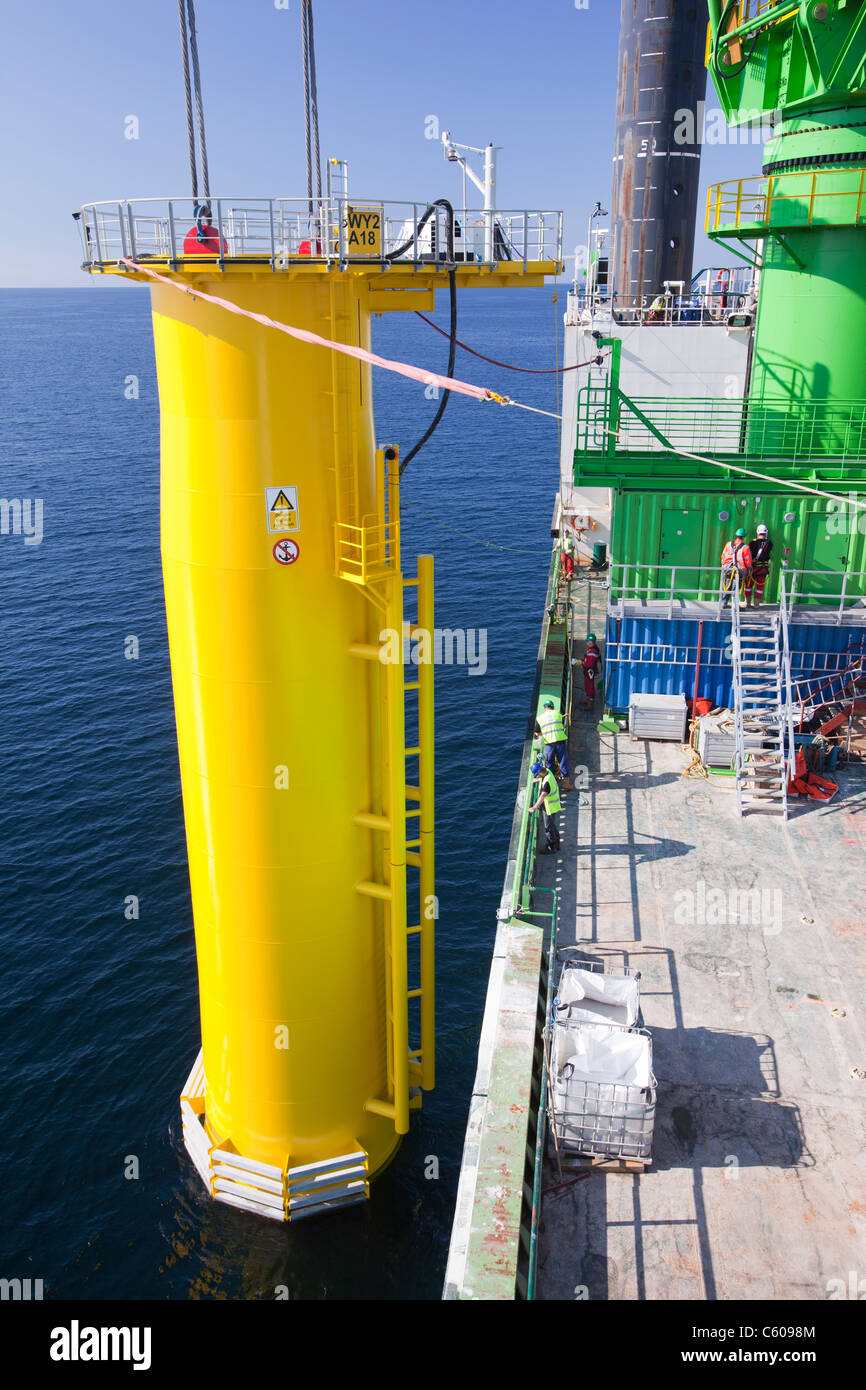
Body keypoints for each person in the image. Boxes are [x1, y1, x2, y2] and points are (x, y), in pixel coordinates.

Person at [534, 699, 573, 789]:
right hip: (560, 741)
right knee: (563, 762)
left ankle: (551, 783)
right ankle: (566, 783)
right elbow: (561, 726)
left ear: (545, 708)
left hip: (549, 744)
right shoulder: (558, 714)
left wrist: (543, 733)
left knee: (550, 763)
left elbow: (537, 733)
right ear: (553, 707)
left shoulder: (539, 718)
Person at [529, 759, 561, 854]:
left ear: (539, 772)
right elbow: (544, 777)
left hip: (549, 808)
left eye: (537, 775)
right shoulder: (548, 771)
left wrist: (534, 807)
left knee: (548, 828)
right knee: (552, 825)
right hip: (553, 805)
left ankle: (552, 848)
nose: (537, 776)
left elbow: (543, 795)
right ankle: (557, 843)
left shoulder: (546, 783)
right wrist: (538, 780)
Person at [720, 528, 752, 606]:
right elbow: (748, 561)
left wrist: (724, 565)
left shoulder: (728, 544)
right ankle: (734, 606)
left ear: (736, 535)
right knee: (736, 588)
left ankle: (723, 603)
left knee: (727, 586)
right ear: (744, 537)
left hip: (728, 569)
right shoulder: (745, 547)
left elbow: (723, 556)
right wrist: (750, 569)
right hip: (739, 571)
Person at [746, 523, 773, 607]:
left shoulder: (752, 542)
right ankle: (756, 605)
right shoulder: (769, 543)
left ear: (757, 532)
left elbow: (748, 554)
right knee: (759, 588)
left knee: (748, 586)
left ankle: (747, 603)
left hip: (752, 568)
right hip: (763, 569)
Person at [582, 633, 602, 709]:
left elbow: (589, 663)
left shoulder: (593, 651)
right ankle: (588, 700)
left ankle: (591, 702)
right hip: (588, 670)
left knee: (590, 686)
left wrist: (581, 662)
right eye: (587, 641)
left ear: (592, 642)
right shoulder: (591, 649)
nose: (588, 643)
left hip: (590, 670)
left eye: (589, 641)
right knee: (587, 685)